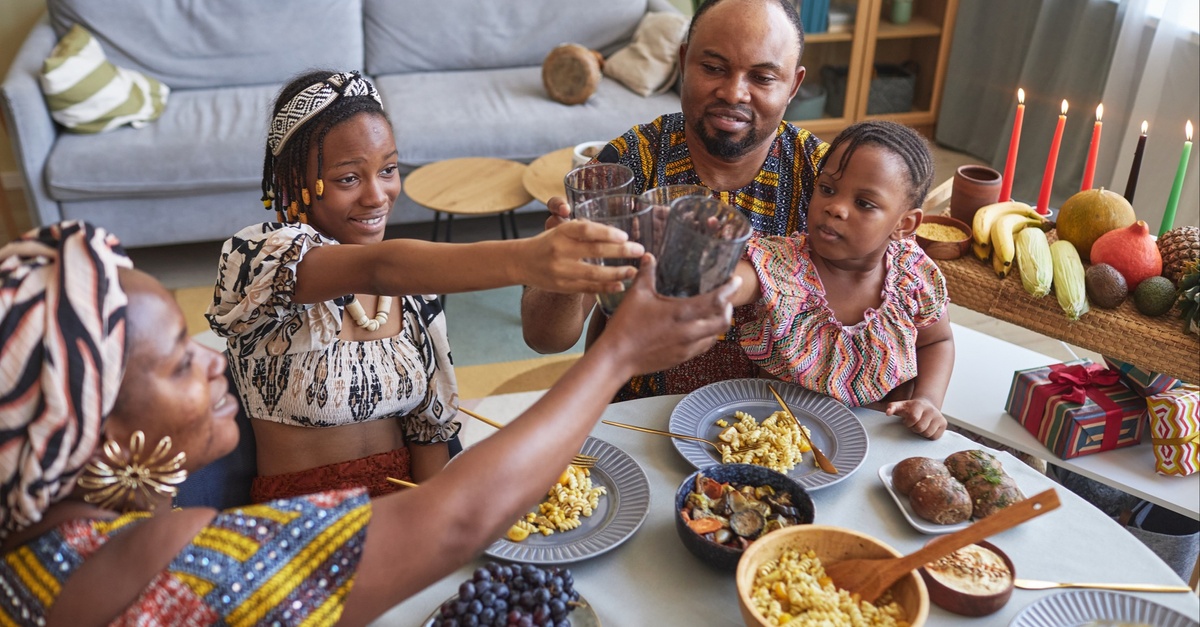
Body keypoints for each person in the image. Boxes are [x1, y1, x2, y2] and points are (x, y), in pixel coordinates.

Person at [0, 220, 736, 624]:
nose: (211, 359)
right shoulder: (165, 563)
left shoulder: (32, 545)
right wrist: (617, 354)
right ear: (92, 435)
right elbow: (452, 522)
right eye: (178, 365)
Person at [206, 70, 644, 502]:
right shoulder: (255, 262)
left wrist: (440, 526)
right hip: (300, 524)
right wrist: (529, 256)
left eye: (389, 169)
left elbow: (430, 434)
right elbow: (380, 267)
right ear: (290, 183)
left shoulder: (416, 292)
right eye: (348, 178)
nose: (378, 195)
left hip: (403, 510)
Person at [521, 0, 829, 401]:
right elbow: (545, 339)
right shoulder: (626, 165)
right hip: (640, 417)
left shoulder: (826, 182)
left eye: (763, 77)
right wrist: (565, 270)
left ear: (793, 85)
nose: (734, 92)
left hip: (780, 422)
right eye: (714, 68)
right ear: (684, 61)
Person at [729, 121, 953, 439]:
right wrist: (707, 271)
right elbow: (732, 283)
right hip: (781, 439)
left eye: (863, 203)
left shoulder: (913, 276)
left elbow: (938, 341)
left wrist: (928, 401)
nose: (835, 208)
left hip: (878, 439)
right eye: (828, 189)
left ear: (904, 224)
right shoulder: (783, 267)